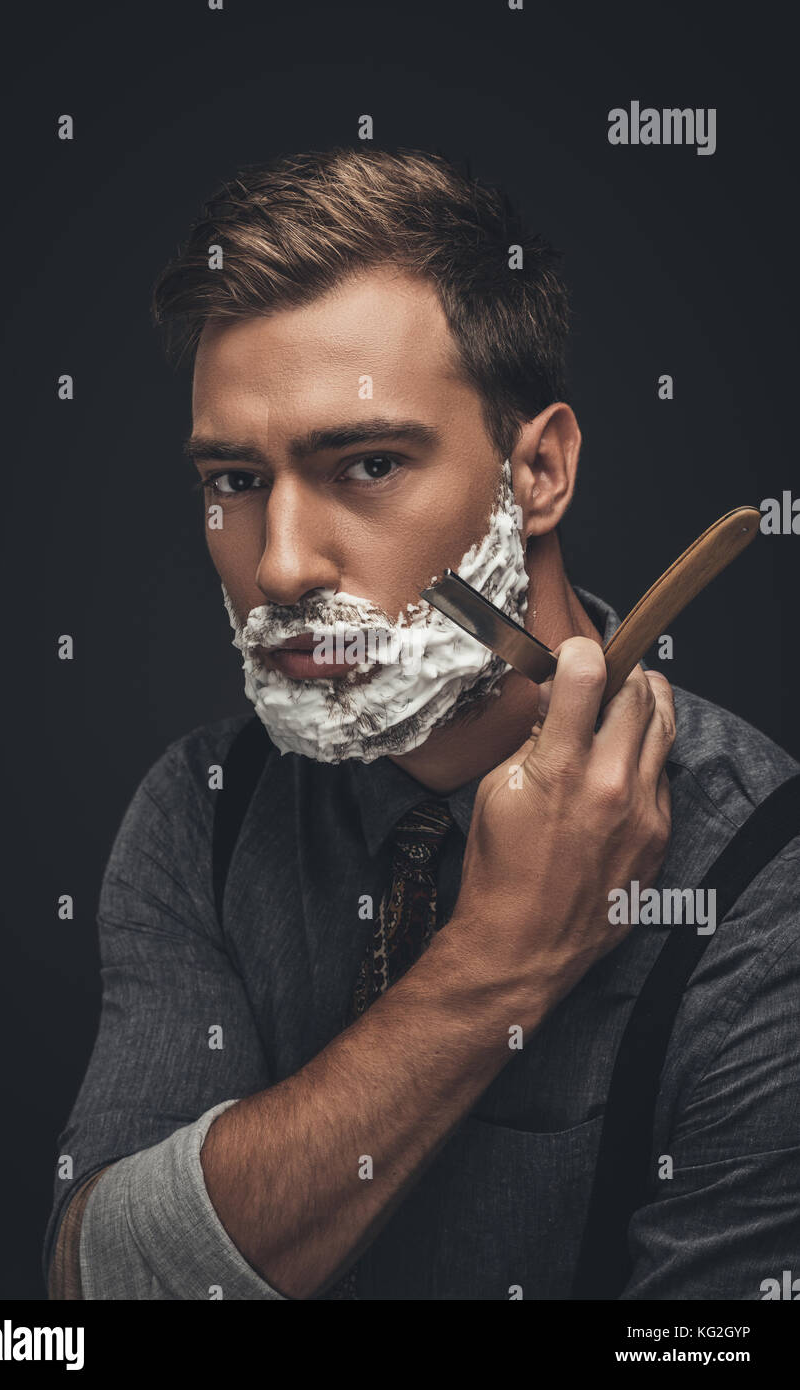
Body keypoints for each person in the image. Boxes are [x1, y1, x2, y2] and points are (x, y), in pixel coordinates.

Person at [44, 147, 800, 1301]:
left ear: (537, 470)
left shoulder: (761, 879)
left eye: (369, 464)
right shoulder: (203, 808)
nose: (282, 565)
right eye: (237, 482)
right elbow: (96, 1290)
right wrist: (500, 962)